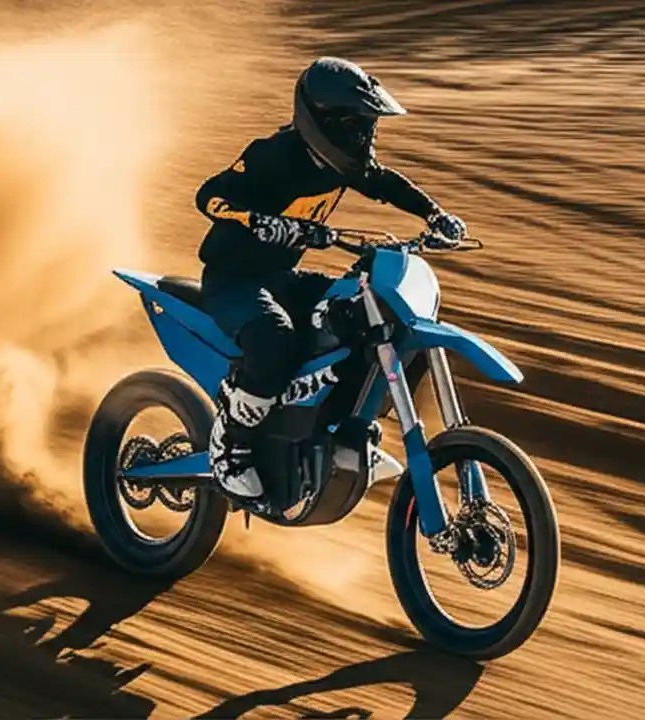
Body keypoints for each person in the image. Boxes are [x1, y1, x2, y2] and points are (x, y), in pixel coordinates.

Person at [195, 56, 467, 501]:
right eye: (354, 126)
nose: (364, 138)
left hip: (281, 278)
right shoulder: (274, 155)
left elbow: (385, 183)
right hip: (233, 280)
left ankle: (344, 424)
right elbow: (209, 195)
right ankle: (230, 446)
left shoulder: (342, 165)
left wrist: (433, 215)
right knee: (273, 337)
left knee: (361, 310)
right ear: (321, 122)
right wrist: (258, 221)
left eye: (368, 127)